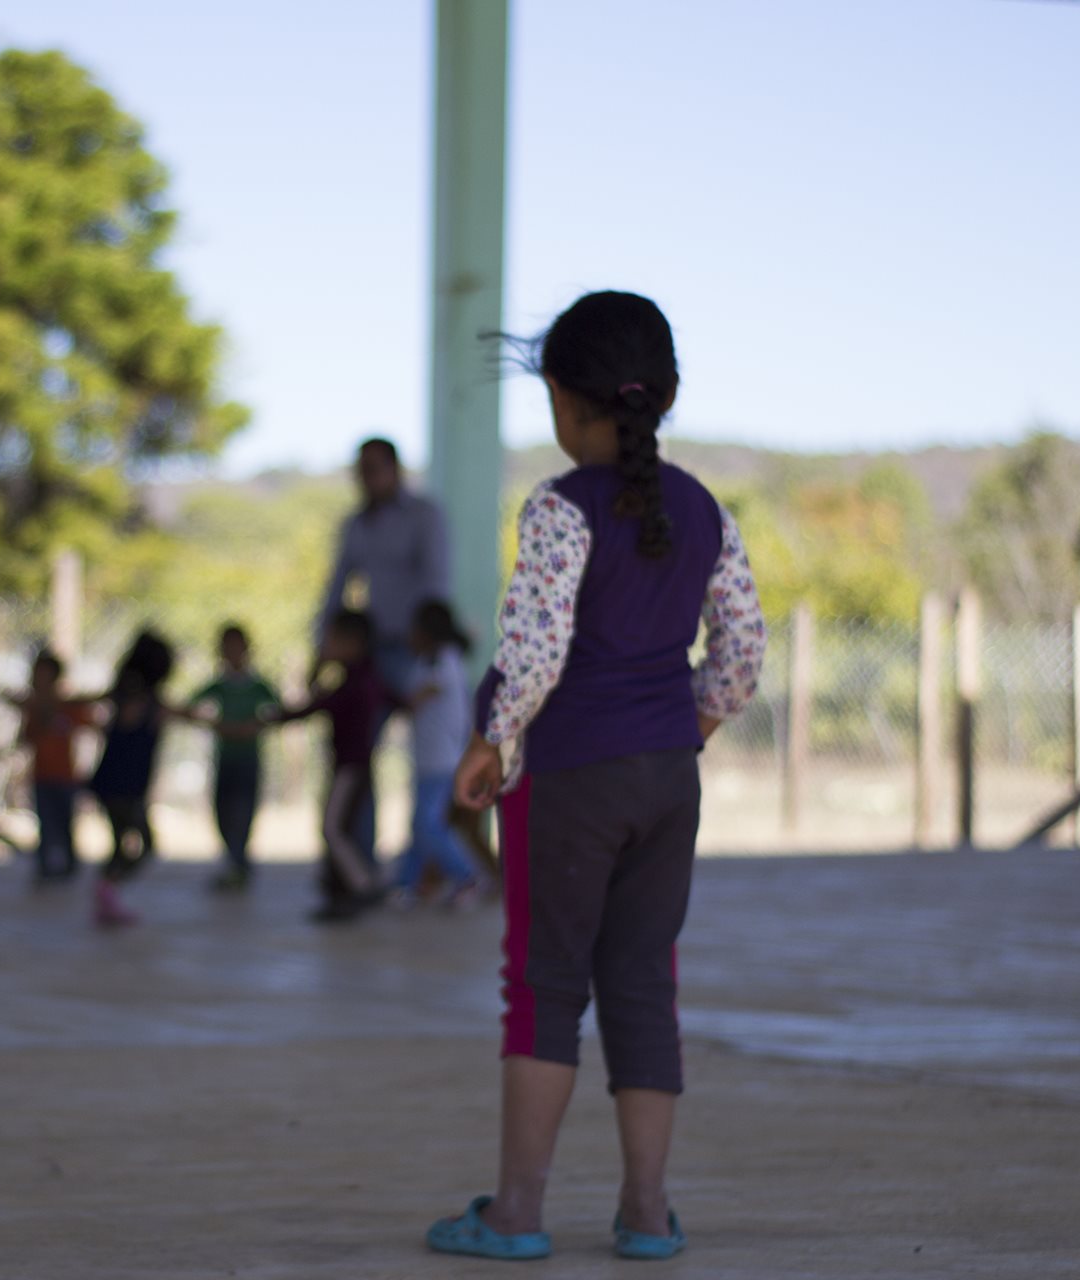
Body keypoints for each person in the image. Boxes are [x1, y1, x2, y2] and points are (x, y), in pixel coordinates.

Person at [424, 291, 766, 1264]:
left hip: (571, 776)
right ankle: (649, 1211)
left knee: (542, 984)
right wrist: (683, 728)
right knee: (643, 987)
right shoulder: (704, 508)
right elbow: (742, 652)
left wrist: (494, 738)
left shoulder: (560, 507)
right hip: (668, 779)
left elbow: (533, 652)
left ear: (570, 404)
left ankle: (518, 1210)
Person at [315, 437, 450, 860]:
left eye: (374, 469)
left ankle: (425, 867)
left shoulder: (425, 516)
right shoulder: (356, 524)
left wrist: (428, 648)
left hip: (418, 653)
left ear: (395, 469)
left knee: (430, 761)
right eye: (361, 470)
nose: (367, 479)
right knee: (354, 757)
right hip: (374, 655)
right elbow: (336, 589)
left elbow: (436, 584)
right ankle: (359, 865)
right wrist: (322, 648)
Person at [270, 609, 401, 923]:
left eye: (332, 639)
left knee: (334, 828)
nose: (326, 645)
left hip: (351, 767)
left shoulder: (357, 682)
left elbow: (311, 707)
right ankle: (347, 888)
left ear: (352, 642)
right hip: (350, 766)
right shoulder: (361, 678)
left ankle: (361, 886)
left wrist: (270, 717)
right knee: (338, 828)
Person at [391, 599, 483, 910]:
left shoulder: (444, 662)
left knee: (428, 824)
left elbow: (415, 698)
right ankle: (407, 885)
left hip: (442, 761)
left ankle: (467, 876)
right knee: (420, 825)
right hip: (427, 759)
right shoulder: (427, 661)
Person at [87, 630, 176, 928]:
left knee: (120, 842)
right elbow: (125, 720)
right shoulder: (136, 696)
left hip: (120, 783)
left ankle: (108, 892)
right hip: (122, 785)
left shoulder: (134, 693)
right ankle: (108, 889)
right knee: (144, 842)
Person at [185, 624, 279, 893]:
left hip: (249, 758)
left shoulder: (259, 686)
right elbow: (191, 708)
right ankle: (235, 861)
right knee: (223, 812)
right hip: (225, 758)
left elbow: (278, 712)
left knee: (244, 812)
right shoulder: (219, 686)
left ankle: (239, 863)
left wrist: (255, 726)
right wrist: (216, 725)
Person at [14, 650, 94, 883]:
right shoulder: (34, 706)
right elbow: (26, 738)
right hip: (41, 774)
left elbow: (89, 725)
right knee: (45, 823)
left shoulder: (70, 705)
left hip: (66, 775)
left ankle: (69, 865)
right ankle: (45, 866)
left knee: (65, 822)